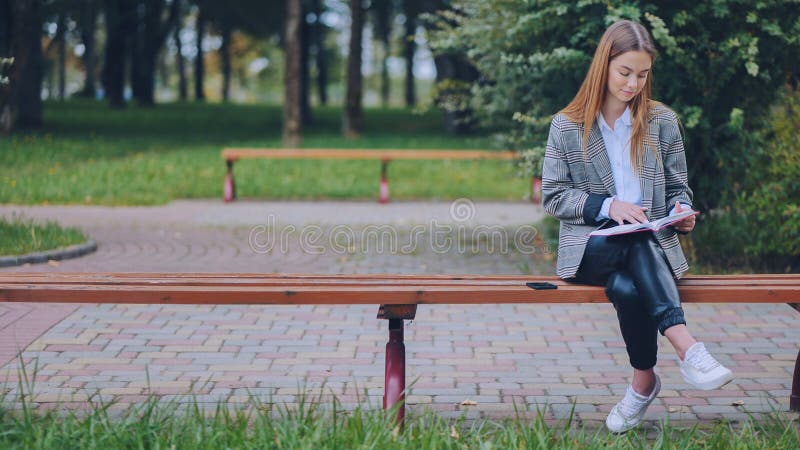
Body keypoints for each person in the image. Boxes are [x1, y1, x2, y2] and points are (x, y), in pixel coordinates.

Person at [541, 20, 733, 433]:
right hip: (591, 246)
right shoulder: (567, 125)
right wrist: (610, 205)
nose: (633, 83)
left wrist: (681, 210)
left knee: (628, 285)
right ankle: (688, 347)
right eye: (625, 72)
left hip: (648, 247)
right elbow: (554, 197)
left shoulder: (662, 121)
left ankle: (642, 385)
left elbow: (680, 187)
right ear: (604, 66)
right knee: (635, 237)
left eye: (642, 75)